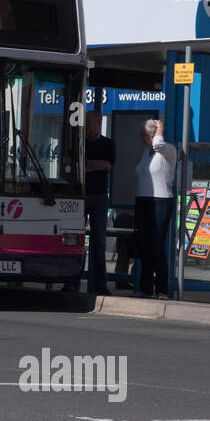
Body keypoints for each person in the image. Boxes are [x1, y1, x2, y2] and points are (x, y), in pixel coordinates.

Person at [134, 117, 177, 299]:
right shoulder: (146, 152)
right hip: (143, 199)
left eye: (146, 135)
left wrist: (159, 128)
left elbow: (158, 145)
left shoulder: (168, 150)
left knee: (157, 245)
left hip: (161, 200)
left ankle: (162, 289)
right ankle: (145, 288)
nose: (144, 139)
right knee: (144, 244)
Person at [83, 111, 115, 295]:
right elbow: (78, 165)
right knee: (76, 239)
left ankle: (100, 285)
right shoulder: (79, 142)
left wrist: (87, 163)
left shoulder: (107, 144)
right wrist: (94, 165)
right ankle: (72, 281)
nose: (86, 125)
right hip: (81, 196)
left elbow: (107, 165)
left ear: (98, 123)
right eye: (85, 121)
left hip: (99, 197)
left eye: (89, 121)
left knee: (99, 243)